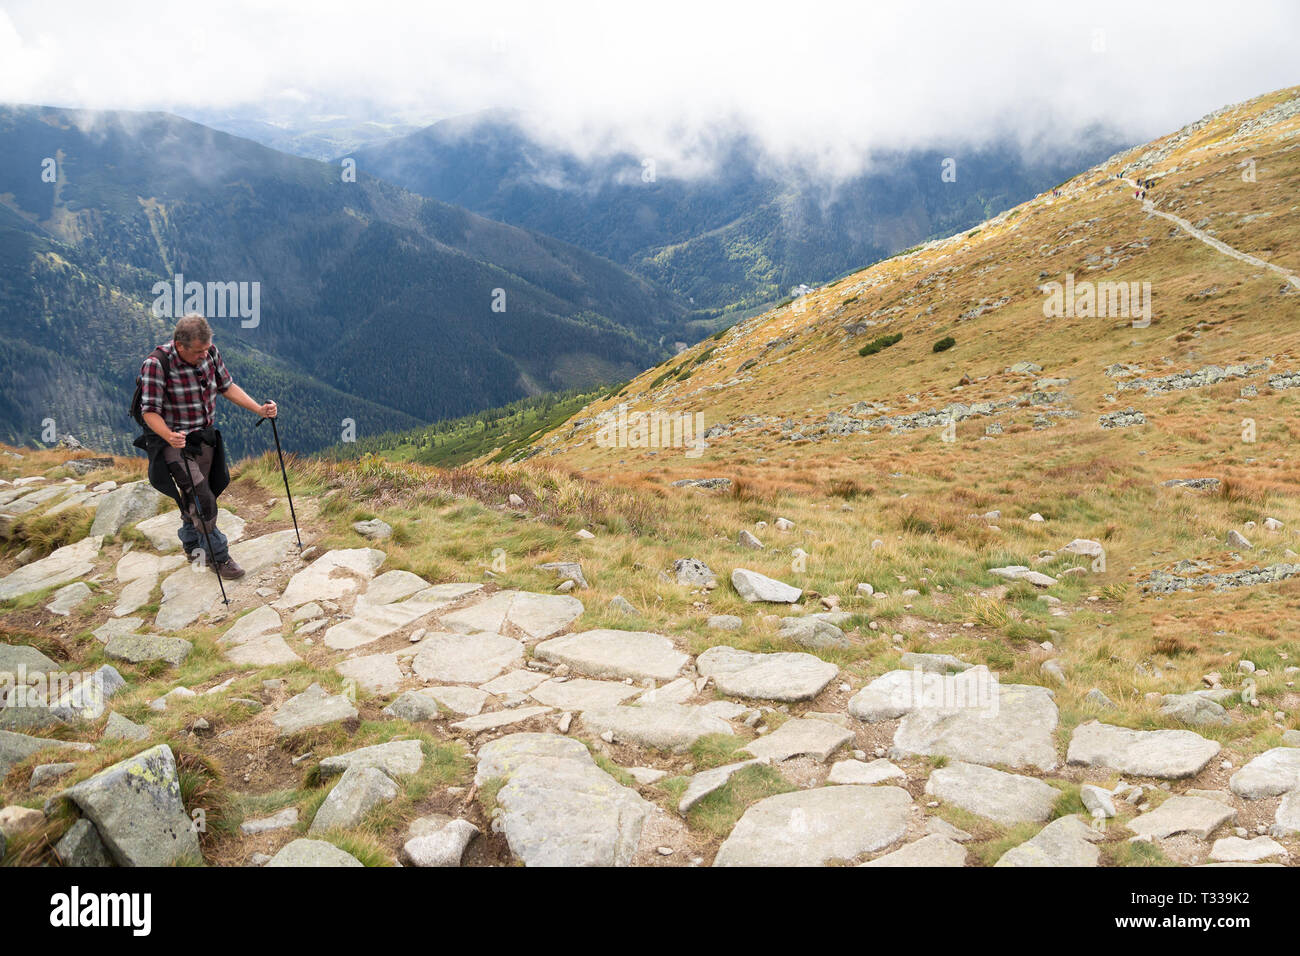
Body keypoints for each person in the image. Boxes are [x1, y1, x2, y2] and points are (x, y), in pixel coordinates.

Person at [133, 314, 277, 578]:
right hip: (174, 443)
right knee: (202, 497)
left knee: (199, 493)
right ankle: (218, 556)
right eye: (199, 351)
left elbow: (226, 386)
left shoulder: (210, 353)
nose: (204, 355)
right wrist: (168, 435)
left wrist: (259, 409)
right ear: (180, 346)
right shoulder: (155, 365)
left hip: (205, 438)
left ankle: (191, 544)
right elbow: (149, 411)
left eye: (207, 349)